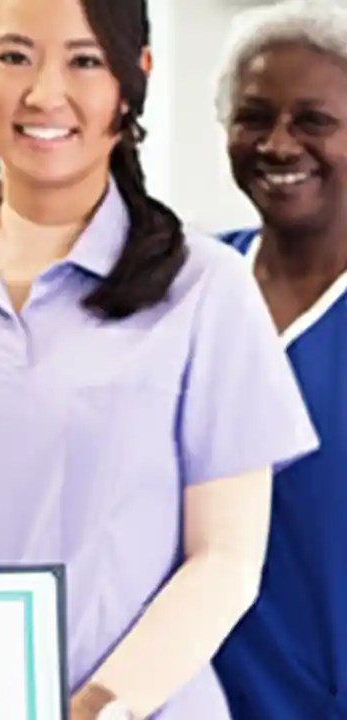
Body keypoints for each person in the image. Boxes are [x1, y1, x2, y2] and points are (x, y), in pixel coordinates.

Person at [0, 0, 319, 718]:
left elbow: (226, 561)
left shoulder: (204, 288)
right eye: (15, 56)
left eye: (84, 60)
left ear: (135, 76)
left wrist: (101, 706)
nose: (45, 93)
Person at [210, 2, 347, 717]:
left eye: (314, 121)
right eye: (254, 117)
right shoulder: (188, 286)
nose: (280, 144)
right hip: (189, 696)